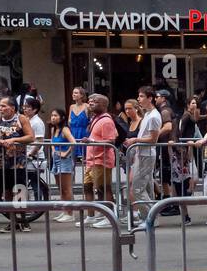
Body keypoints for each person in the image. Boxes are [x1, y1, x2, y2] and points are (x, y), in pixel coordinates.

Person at [0, 95, 34, 232]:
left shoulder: (21, 119)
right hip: (1, 162)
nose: (0, 108)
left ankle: (23, 220)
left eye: (4, 106)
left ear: (12, 108)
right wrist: (1, 142)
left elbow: (30, 136)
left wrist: (14, 140)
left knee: (19, 190)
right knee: (6, 191)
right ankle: (12, 221)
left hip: (18, 161)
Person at [124, 86, 162, 223]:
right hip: (142, 153)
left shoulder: (153, 116)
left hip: (147, 154)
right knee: (146, 187)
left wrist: (135, 140)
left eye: (141, 96)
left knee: (137, 188)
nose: (139, 99)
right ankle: (150, 217)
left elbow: (153, 139)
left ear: (150, 98)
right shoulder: (147, 114)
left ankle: (151, 217)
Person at [81, 93, 118, 229]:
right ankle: (91, 215)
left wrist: (92, 141)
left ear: (103, 105)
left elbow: (111, 140)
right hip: (91, 160)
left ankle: (110, 217)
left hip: (101, 160)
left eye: (94, 102)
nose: (90, 103)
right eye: (90, 101)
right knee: (87, 187)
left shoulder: (107, 120)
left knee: (103, 188)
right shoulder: (95, 118)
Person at [47, 108, 77, 222]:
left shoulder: (65, 129)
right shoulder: (54, 129)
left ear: (62, 117)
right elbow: (52, 143)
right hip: (56, 159)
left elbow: (73, 142)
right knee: (60, 188)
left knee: (66, 188)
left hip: (65, 160)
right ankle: (64, 211)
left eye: (55, 115)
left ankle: (70, 213)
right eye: (52, 115)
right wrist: (55, 151)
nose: (53, 117)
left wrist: (65, 153)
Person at [176, 97, 202, 198]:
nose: (194, 105)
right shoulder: (186, 115)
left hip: (190, 145)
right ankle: (187, 191)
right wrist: (183, 142)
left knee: (193, 172)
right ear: (188, 105)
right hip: (187, 146)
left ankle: (188, 191)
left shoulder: (191, 115)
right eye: (192, 103)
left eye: (195, 103)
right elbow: (180, 129)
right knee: (191, 172)